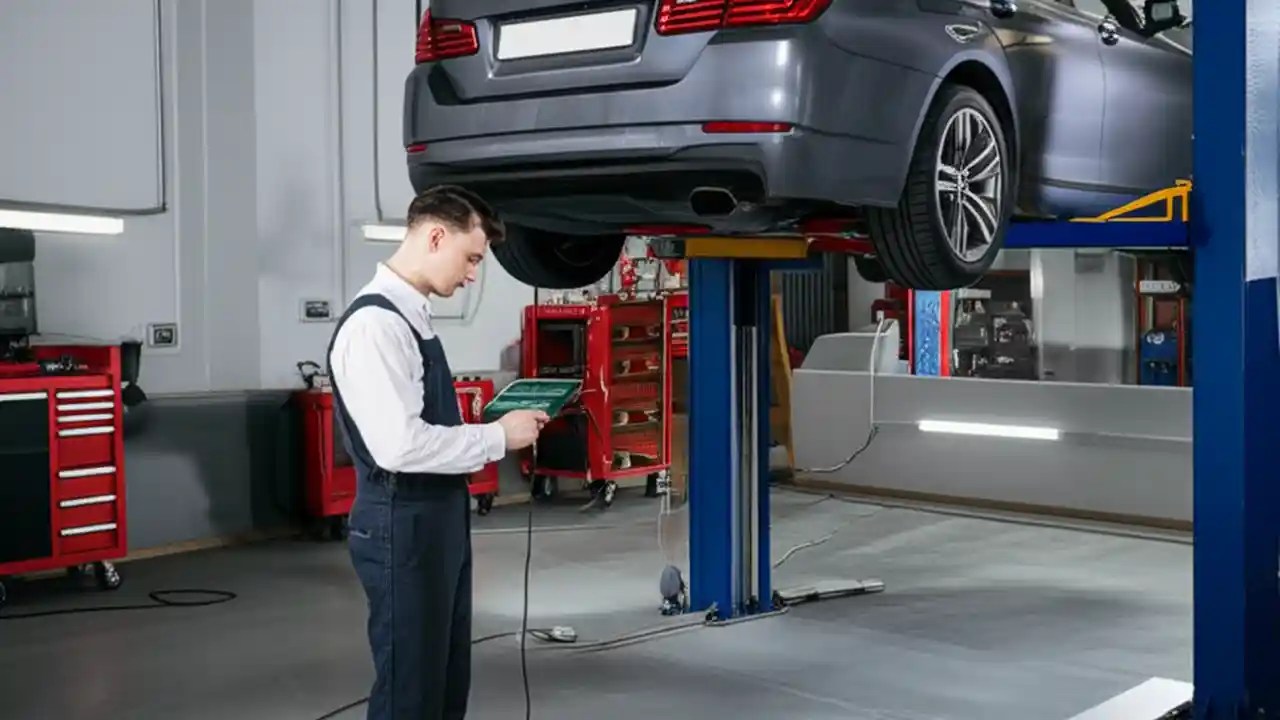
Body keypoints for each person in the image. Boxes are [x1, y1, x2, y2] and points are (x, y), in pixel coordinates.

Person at [326, 185, 548, 719]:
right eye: (471, 258)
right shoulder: (376, 326)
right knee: (412, 689)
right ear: (434, 237)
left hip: (436, 517)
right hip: (401, 522)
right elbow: (399, 445)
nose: (472, 275)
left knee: (445, 678)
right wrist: (497, 437)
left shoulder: (413, 316)